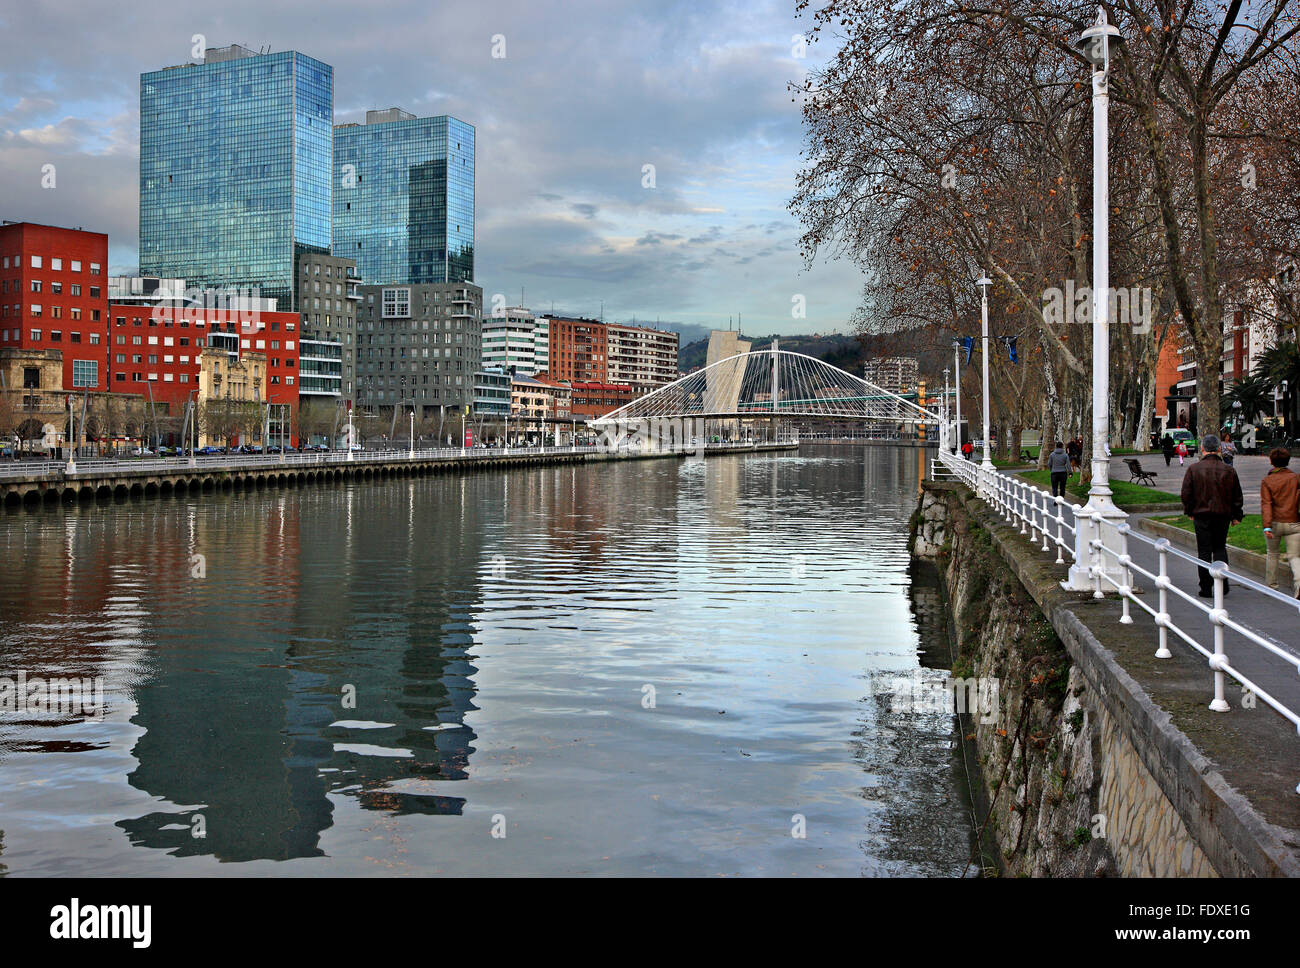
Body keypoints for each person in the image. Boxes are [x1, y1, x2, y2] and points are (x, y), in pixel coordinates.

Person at [1180, 435, 1244, 598]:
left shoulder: (1193, 469)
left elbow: (1186, 494)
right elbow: (1236, 495)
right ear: (1218, 449)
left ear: (1202, 449)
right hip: (1222, 515)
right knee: (1220, 548)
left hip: (1201, 515)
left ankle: (1206, 587)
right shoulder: (1229, 470)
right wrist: (1236, 515)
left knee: (1204, 551)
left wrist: (1190, 511)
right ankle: (1223, 585)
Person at [1261, 447, 1300, 598]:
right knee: (1295, 556)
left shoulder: (1267, 481)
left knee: (1272, 554)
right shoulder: (1296, 478)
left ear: (1271, 462)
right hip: (1294, 522)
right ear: (1288, 461)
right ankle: (1298, 583)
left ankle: (1272, 586)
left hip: (1275, 523)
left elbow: (1266, 504)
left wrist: (1267, 526)